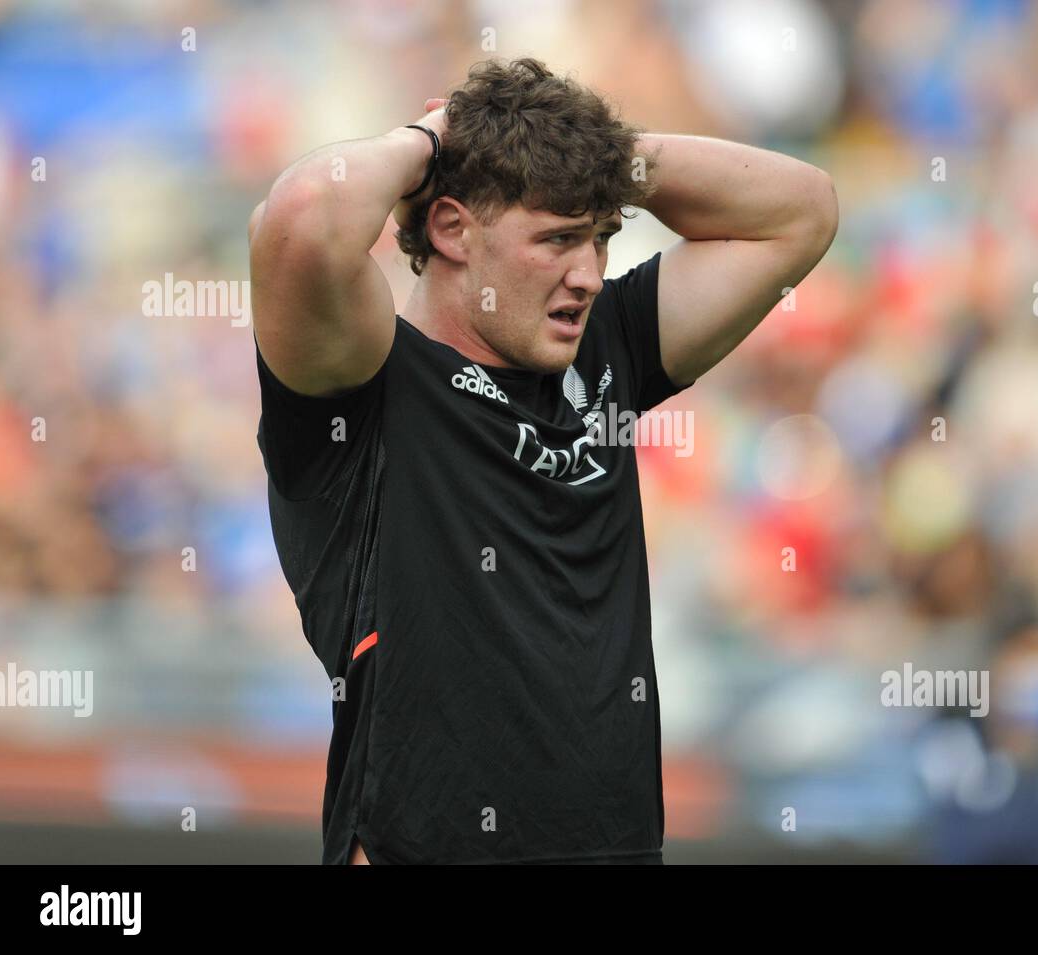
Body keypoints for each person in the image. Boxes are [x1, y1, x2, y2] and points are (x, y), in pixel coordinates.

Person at [247, 56, 838, 864]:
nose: (590, 275)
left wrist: (597, 154)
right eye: (558, 239)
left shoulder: (609, 351)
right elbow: (306, 213)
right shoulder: (364, 386)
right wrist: (429, 138)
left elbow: (802, 211)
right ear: (453, 229)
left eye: (600, 239)